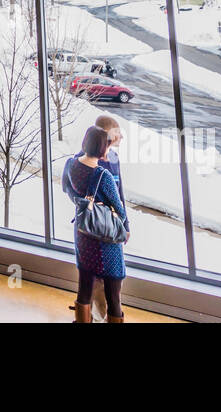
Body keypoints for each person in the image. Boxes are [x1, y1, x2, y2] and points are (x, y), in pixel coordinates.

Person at [62, 125, 129, 323]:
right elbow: (121, 211)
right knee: (113, 295)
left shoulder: (71, 165)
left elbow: (68, 190)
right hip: (105, 242)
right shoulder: (104, 176)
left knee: (85, 287)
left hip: (83, 234)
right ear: (102, 149)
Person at [89, 115, 127, 320]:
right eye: (117, 131)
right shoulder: (90, 161)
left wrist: (125, 224)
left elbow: (120, 196)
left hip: (114, 231)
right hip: (97, 231)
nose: (121, 136)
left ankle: (104, 315)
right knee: (100, 281)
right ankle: (99, 316)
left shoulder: (114, 159)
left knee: (114, 282)